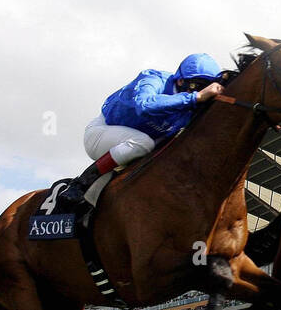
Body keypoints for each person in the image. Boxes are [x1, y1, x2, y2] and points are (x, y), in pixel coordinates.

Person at [55, 54, 225, 212]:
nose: (199, 91)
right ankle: (82, 182)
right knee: (144, 142)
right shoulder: (153, 78)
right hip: (100, 134)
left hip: (133, 151)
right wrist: (196, 97)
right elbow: (144, 105)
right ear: (180, 80)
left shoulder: (192, 104)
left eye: (205, 88)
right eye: (196, 86)